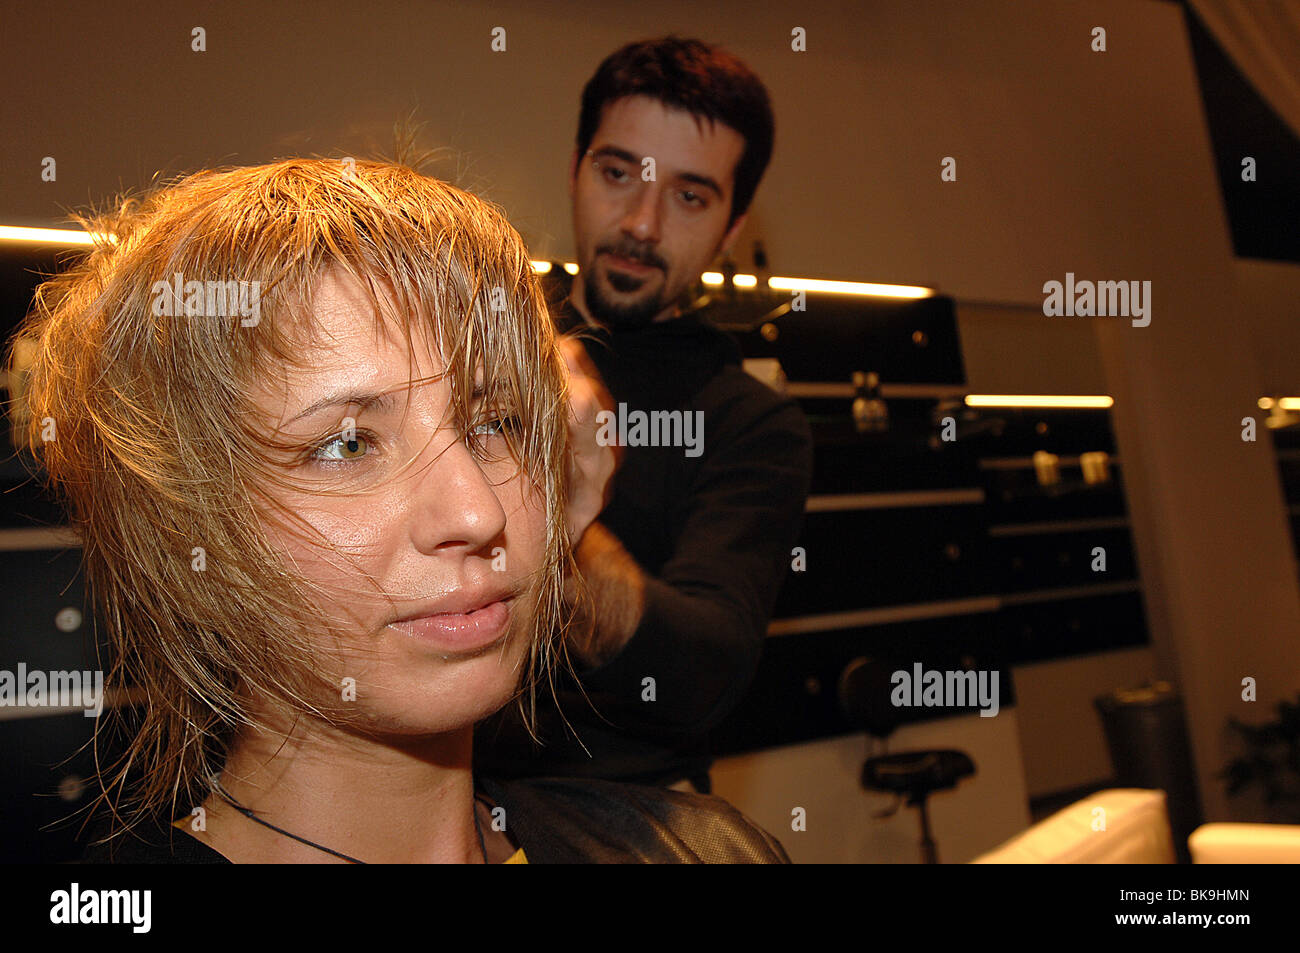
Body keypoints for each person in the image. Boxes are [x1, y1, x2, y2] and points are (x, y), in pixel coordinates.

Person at [11, 157, 788, 863]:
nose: (477, 510)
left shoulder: (711, 851)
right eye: (347, 445)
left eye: (496, 422)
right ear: (180, 530)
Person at [475, 36, 814, 792]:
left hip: (626, 812)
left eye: (689, 196)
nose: (641, 222)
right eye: (617, 173)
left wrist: (560, 521)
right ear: (574, 169)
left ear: (731, 228)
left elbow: (704, 672)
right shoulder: (478, 342)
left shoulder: (752, 424)